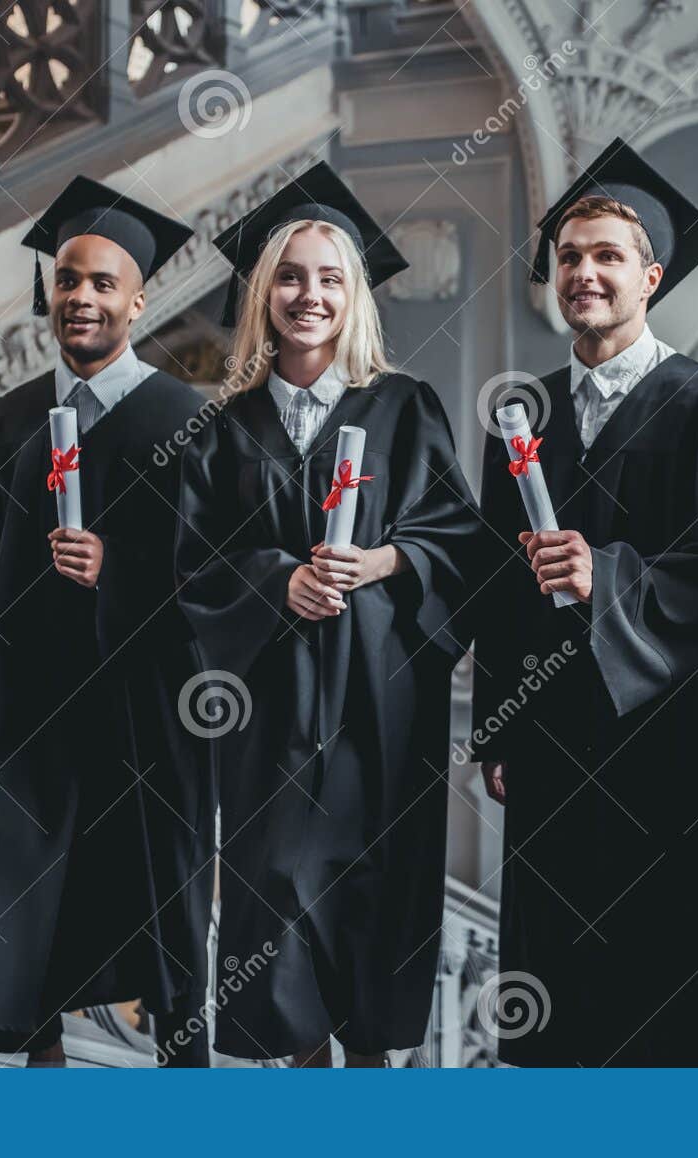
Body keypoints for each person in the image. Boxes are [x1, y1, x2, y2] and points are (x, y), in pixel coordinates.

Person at [472, 138, 698, 1066]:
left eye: (608, 256)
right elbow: (495, 584)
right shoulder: (523, 416)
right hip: (558, 738)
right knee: (565, 982)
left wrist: (604, 575)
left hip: (678, 739)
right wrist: (498, 726)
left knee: (675, 979)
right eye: (569, 256)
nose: (584, 273)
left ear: (650, 277)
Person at [174, 161, 483, 1066]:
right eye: (290, 277)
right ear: (263, 294)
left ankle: (371, 1075)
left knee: (375, 894)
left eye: (330, 279)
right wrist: (277, 581)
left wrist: (384, 559)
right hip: (269, 714)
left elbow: (460, 542)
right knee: (277, 897)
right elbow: (190, 567)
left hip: (380, 708)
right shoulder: (221, 429)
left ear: (355, 298)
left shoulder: (404, 407)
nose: (309, 295)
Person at [0, 177, 215, 1067]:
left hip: (143, 706)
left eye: (103, 283)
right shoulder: (5, 424)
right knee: (20, 897)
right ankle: (40, 1071)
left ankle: (190, 1081)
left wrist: (118, 569)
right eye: (68, 279)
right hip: (26, 704)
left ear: (138, 301)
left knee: (158, 901)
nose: (81, 296)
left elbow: (216, 575)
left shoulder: (188, 422)